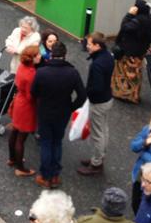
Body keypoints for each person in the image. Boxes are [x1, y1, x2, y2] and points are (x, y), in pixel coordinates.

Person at [31, 41, 86, 190]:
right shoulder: (72, 72)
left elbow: (33, 92)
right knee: (57, 142)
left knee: (46, 143)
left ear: (51, 54)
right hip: (63, 113)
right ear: (65, 55)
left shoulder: (42, 72)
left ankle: (45, 176)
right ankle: (55, 175)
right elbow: (82, 95)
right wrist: (71, 107)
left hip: (45, 112)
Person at [78, 31, 115, 176]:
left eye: (89, 44)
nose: (87, 46)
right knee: (103, 130)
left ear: (97, 45)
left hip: (98, 103)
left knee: (97, 134)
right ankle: (98, 157)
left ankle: (96, 163)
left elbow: (97, 87)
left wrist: (86, 93)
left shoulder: (97, 64)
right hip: (107, 99)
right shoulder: (107, 56)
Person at [112, 0, 151, 104]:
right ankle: (133, 95)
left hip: (129, 51)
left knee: (124, 73)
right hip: (140, 51)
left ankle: (124, 94)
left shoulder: (136, 21)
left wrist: (129, 15)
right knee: (135, 74)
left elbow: (124, 27)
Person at [9, 45, 40, 178]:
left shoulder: (22, 67)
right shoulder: (32, 74)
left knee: (15, 132)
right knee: (21, 139)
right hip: (26, 107)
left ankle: (12, 158)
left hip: (19, 103)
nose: (40, 56)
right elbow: (31, 96)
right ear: (32, 58)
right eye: (38, 55)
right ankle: (20, 168)